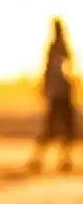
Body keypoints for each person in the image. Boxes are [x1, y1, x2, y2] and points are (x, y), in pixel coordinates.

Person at [29, 18, 75, 173]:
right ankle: (49, 160)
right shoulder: (58, 49)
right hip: (59, 94)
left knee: (60, 129)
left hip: (59, 94)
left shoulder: (59, 49)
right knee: (56, 129)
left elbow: (54, 70)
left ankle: (60, 160)